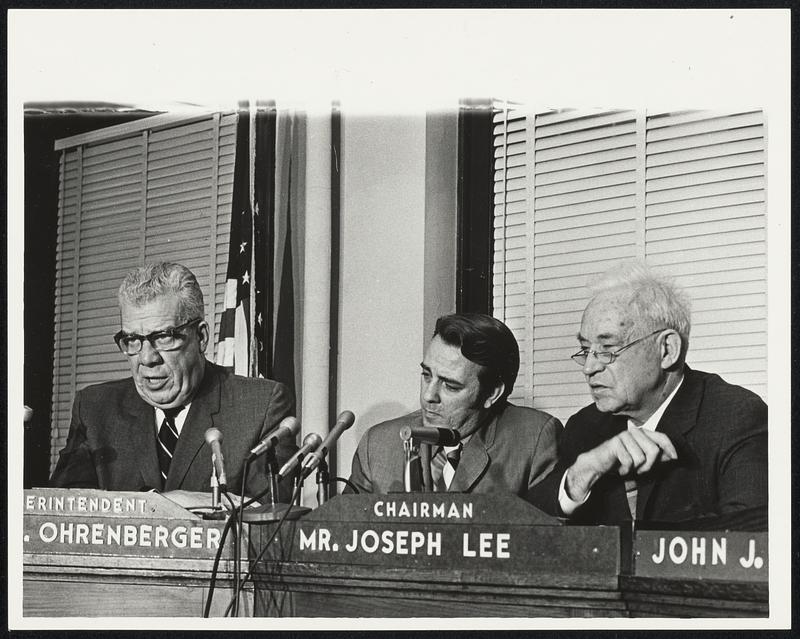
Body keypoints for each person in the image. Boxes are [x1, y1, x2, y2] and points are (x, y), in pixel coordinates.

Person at [533, 261, 767, 527]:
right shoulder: (585, 426)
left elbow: (749, 537)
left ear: (667, 350)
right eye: (586, 349)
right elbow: (521, 527)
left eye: (608, 348)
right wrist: (577, 477)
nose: (589, 367)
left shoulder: (736, 416)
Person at [50, 262, 296, 501]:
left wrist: (168, 504)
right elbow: (62, 513)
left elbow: (267, 516)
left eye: (164, 337)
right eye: (133, 340)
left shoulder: (261, 407)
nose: (147, 358)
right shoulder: (95, 408)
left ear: (200, 337)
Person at [347, 313, 561, 505]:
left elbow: (546, 540)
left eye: (450, 385)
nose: (428, 396)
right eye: (426, 375)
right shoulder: (377, 445)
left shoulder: (534, 440)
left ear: (491, 394)